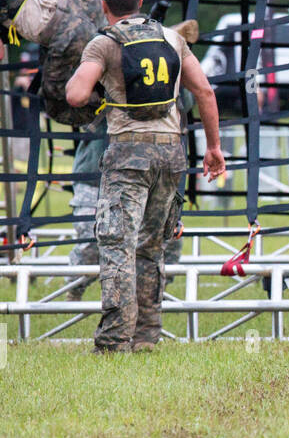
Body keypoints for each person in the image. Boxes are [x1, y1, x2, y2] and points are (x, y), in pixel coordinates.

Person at [65, 0, 224, 353]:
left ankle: (114, 341)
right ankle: (147, 338)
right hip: (171, 152)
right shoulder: (172, 38)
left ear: (104, 6)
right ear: (139, 2)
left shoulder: (104, 43)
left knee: (118, 244)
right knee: (152, 247)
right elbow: (204, 91)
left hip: (126, 153)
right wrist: (214, 148)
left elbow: (75, 95)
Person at [64, 21, 200, 302]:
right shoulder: (99, 53)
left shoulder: (163, 62)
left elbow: (185, 101)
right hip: (97, 170)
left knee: (164, 245)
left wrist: (147, 75)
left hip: (152, 168)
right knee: (94, 243)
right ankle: (72, 293)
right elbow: (72, 99)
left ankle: (146, 306)